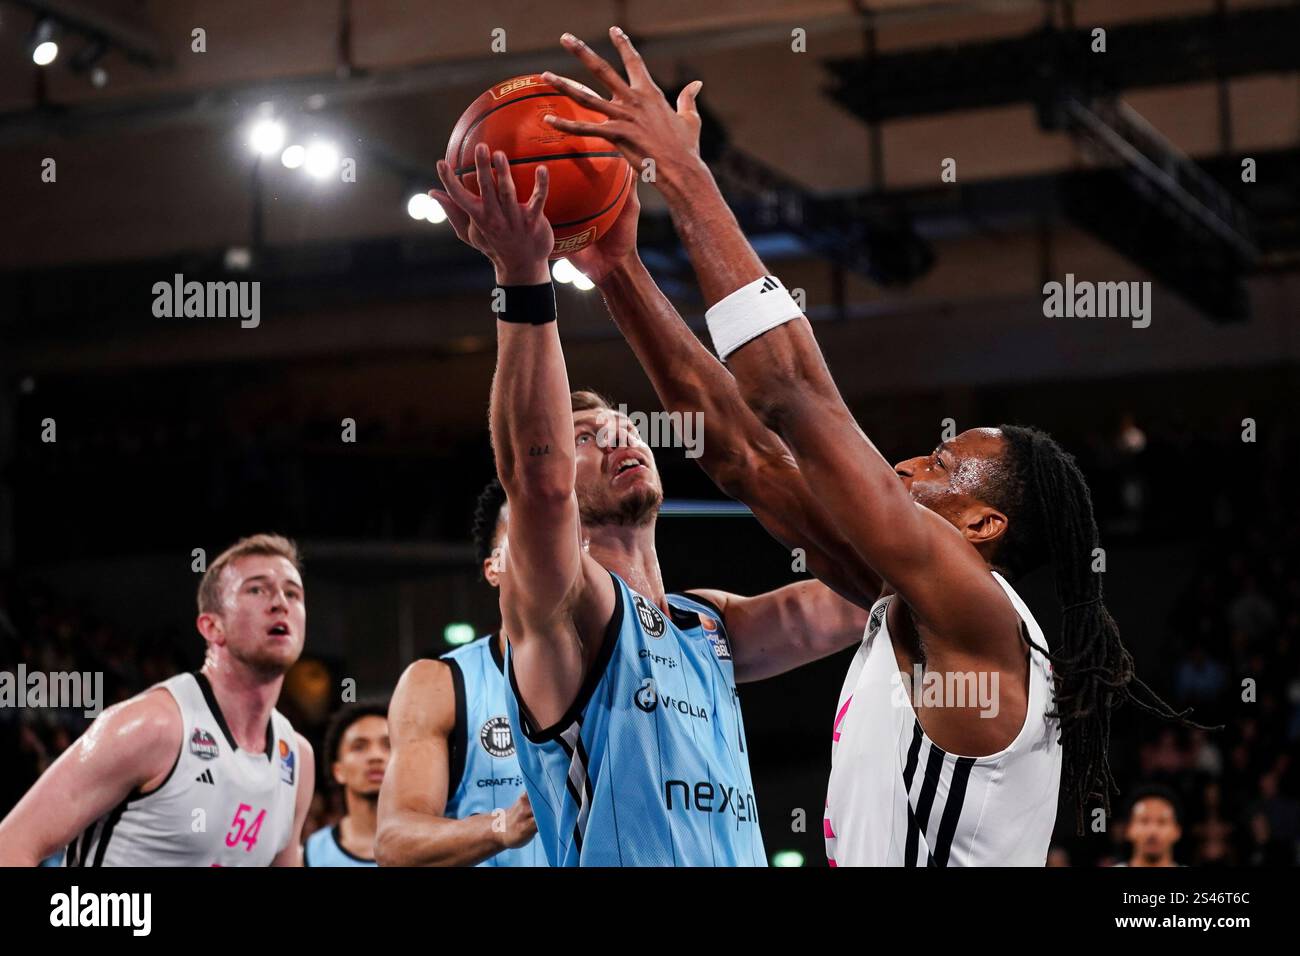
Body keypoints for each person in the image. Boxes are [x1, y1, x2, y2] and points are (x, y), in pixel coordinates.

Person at [539, 26, 1195, 866]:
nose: (909, 465)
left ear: (984, 528)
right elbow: (740, 452)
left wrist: (687, 174)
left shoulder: (977, 613)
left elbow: (790, 394)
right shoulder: (908, 605)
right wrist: (617, 269)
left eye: (942, 466)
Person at [429, 137, 868, 866]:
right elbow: (535, 481)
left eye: (621, 425)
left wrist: (625, 261)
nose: (616, 437)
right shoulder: (567, 609)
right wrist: (522, 274)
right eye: (585, 438)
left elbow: (866, 594)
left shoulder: (708, 625)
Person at [0, 534, 314, 866]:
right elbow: (12, 845)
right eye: (257, 589)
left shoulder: (296, 759)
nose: (280, 602)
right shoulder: (150, 726)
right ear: (212, 627)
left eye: (292, 593)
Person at [376, 480, 544, 866]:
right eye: (524, 539)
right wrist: (502, 826)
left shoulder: (624, 672)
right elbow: (394, 841)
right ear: (493, 569)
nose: (544, 550)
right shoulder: (439, 683)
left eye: (558, 536)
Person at [305, 702, 390, 867]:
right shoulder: (310, 853)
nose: (375, 756)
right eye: (359, 747)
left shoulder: (430, 844)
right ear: (338, 771)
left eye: (388, 745)